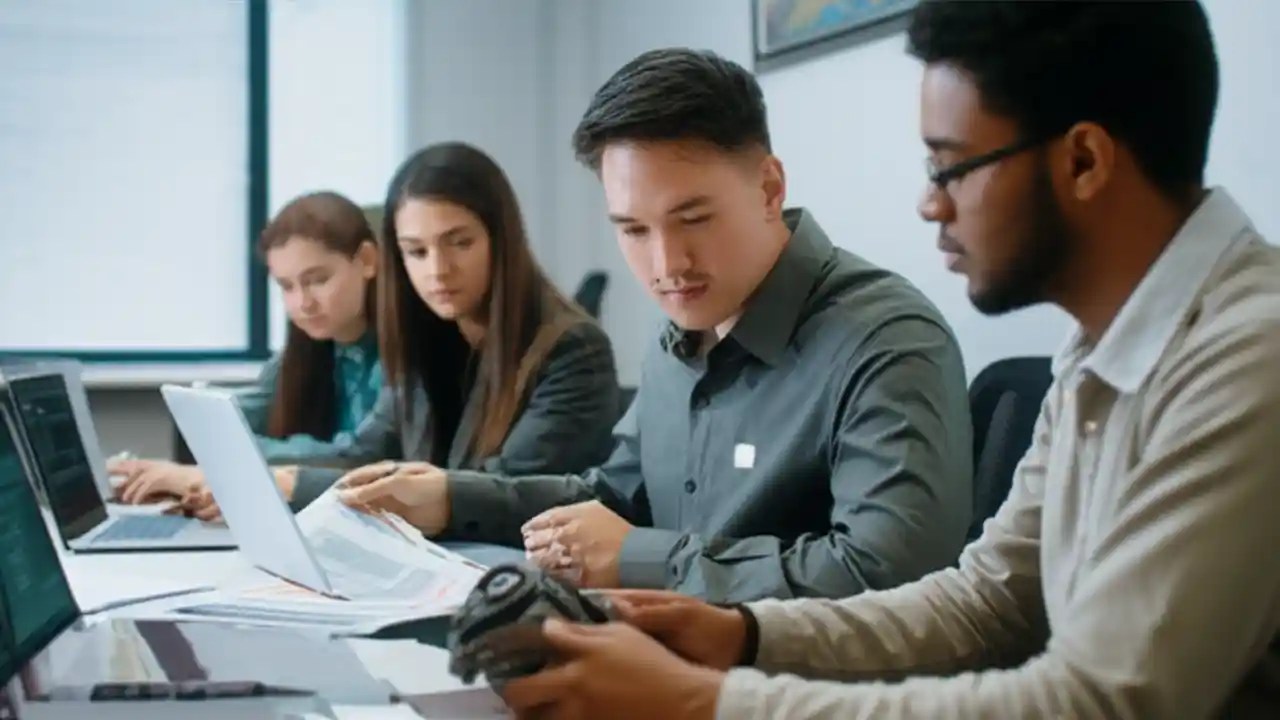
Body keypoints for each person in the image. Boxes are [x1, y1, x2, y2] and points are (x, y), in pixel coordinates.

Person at [496, 2, 1280, 718]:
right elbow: (987, 604)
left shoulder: (1251, 358)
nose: (929, 203)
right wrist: (742, 635)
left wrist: (710, 700)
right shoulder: (1100, 348)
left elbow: (1097, 702)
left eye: (951, 167)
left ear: (1083, 162)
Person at [339, 49, 972, 602]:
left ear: (770, 188)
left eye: (693, 219)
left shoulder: (885, 339)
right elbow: (617, 497)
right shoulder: (683, 333)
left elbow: (891, 575)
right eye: (634, 230)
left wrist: (642, 558)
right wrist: (452, 498)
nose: (667, 265)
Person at [183, 142, 621, 531]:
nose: (437, 270)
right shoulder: (425, 337)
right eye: (416, 251)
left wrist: (291, 483)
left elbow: (509, 493)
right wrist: (281, 485)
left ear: (501, 239)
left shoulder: (573, 349)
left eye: (459, 243)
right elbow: (369, 455)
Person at [112, 190, 383, 504]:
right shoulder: (299, 357)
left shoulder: (408, 352)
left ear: (366, 261)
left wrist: (212, 469)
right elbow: (225, 426)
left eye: (318, 280)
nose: (303, 303)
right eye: (286, 286)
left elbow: (360, 458)